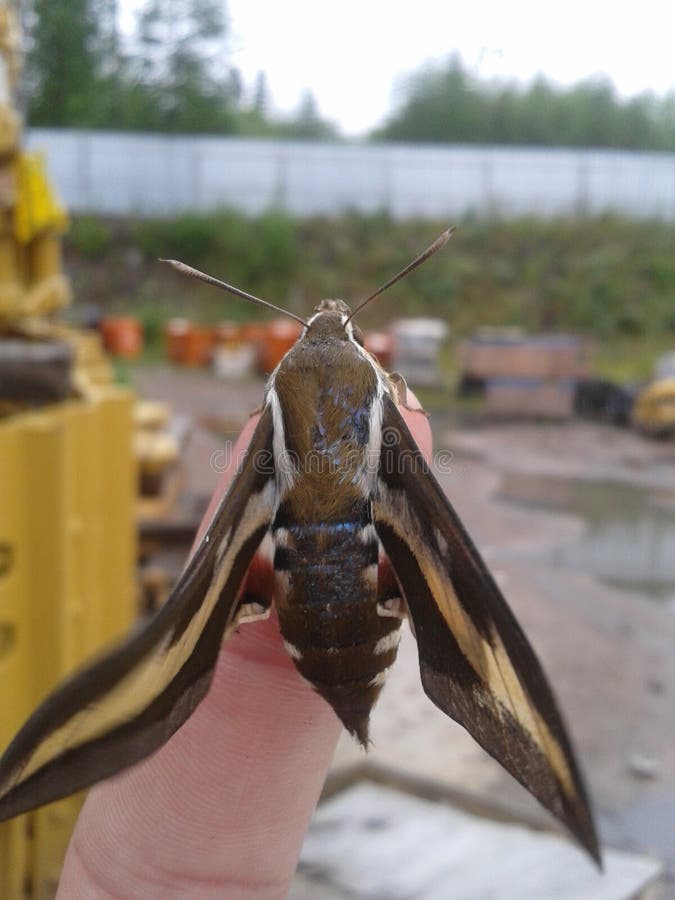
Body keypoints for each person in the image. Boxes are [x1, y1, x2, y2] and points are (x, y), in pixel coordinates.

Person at [56, 395, 431, 898]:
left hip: (314, 619)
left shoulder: (278, 417)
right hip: (354, 620)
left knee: (167, 655)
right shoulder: (383, 411)